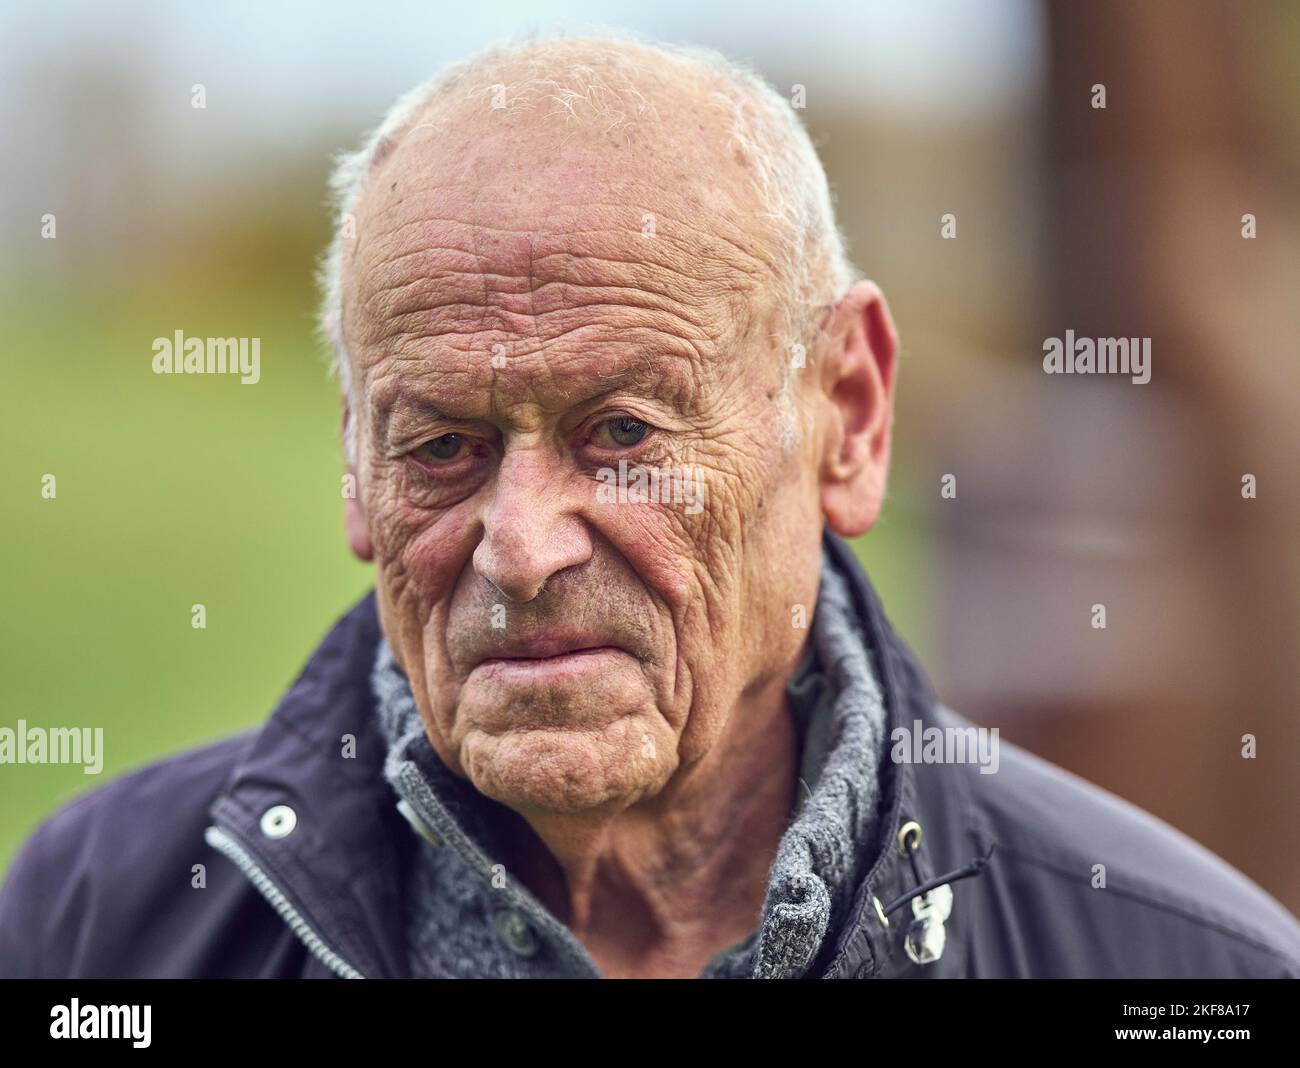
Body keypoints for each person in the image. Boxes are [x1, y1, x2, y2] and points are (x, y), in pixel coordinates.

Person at [3, 34, 1298, 979]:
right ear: (356, 464)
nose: (521, 549)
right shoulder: (96, 926)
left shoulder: (1180, 971)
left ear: (846, 416)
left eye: (622, 435)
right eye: (442, 445)